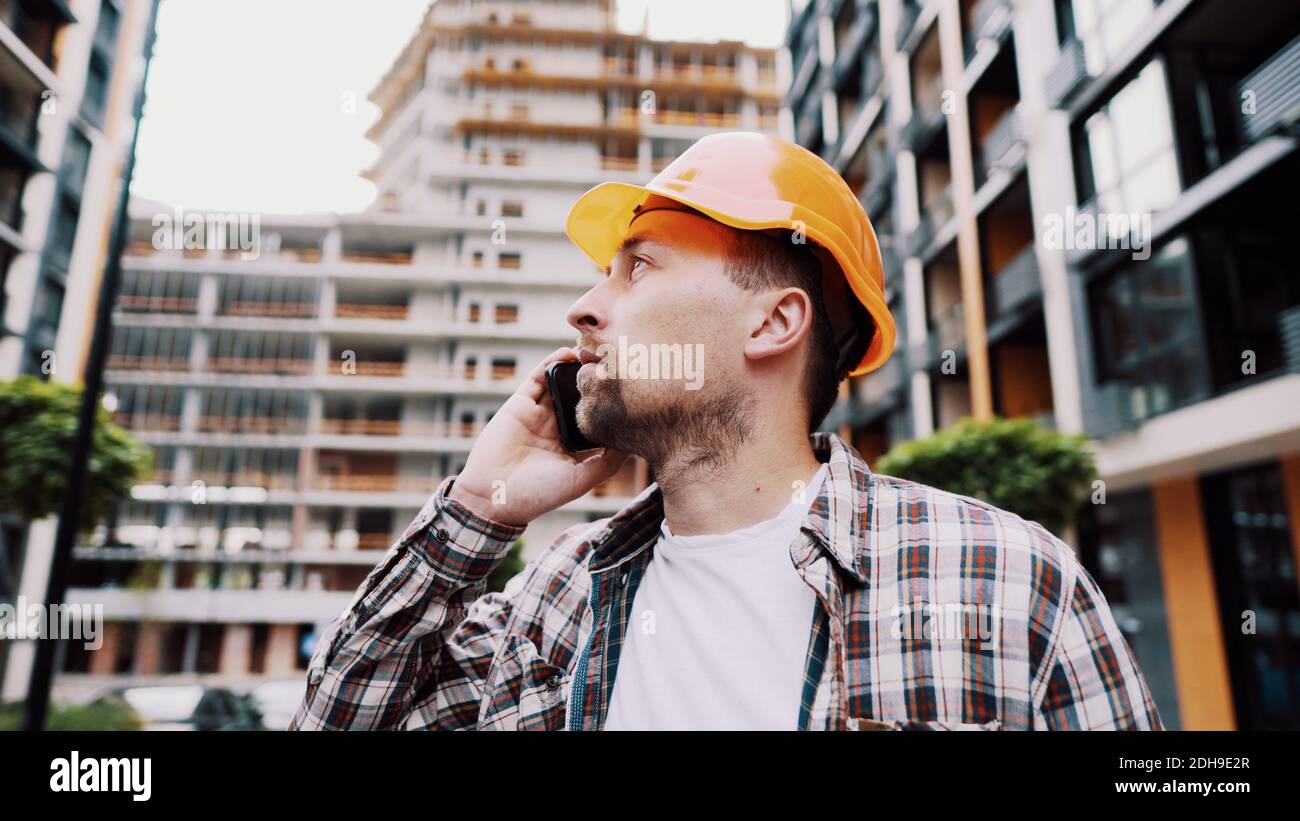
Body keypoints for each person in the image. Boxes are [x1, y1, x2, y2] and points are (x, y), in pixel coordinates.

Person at [290, 131, 1162, 731]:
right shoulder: (558, 598)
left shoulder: (1007, 580)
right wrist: (479, 511)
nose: (585, 308)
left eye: (638, 268)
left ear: (772, 324)